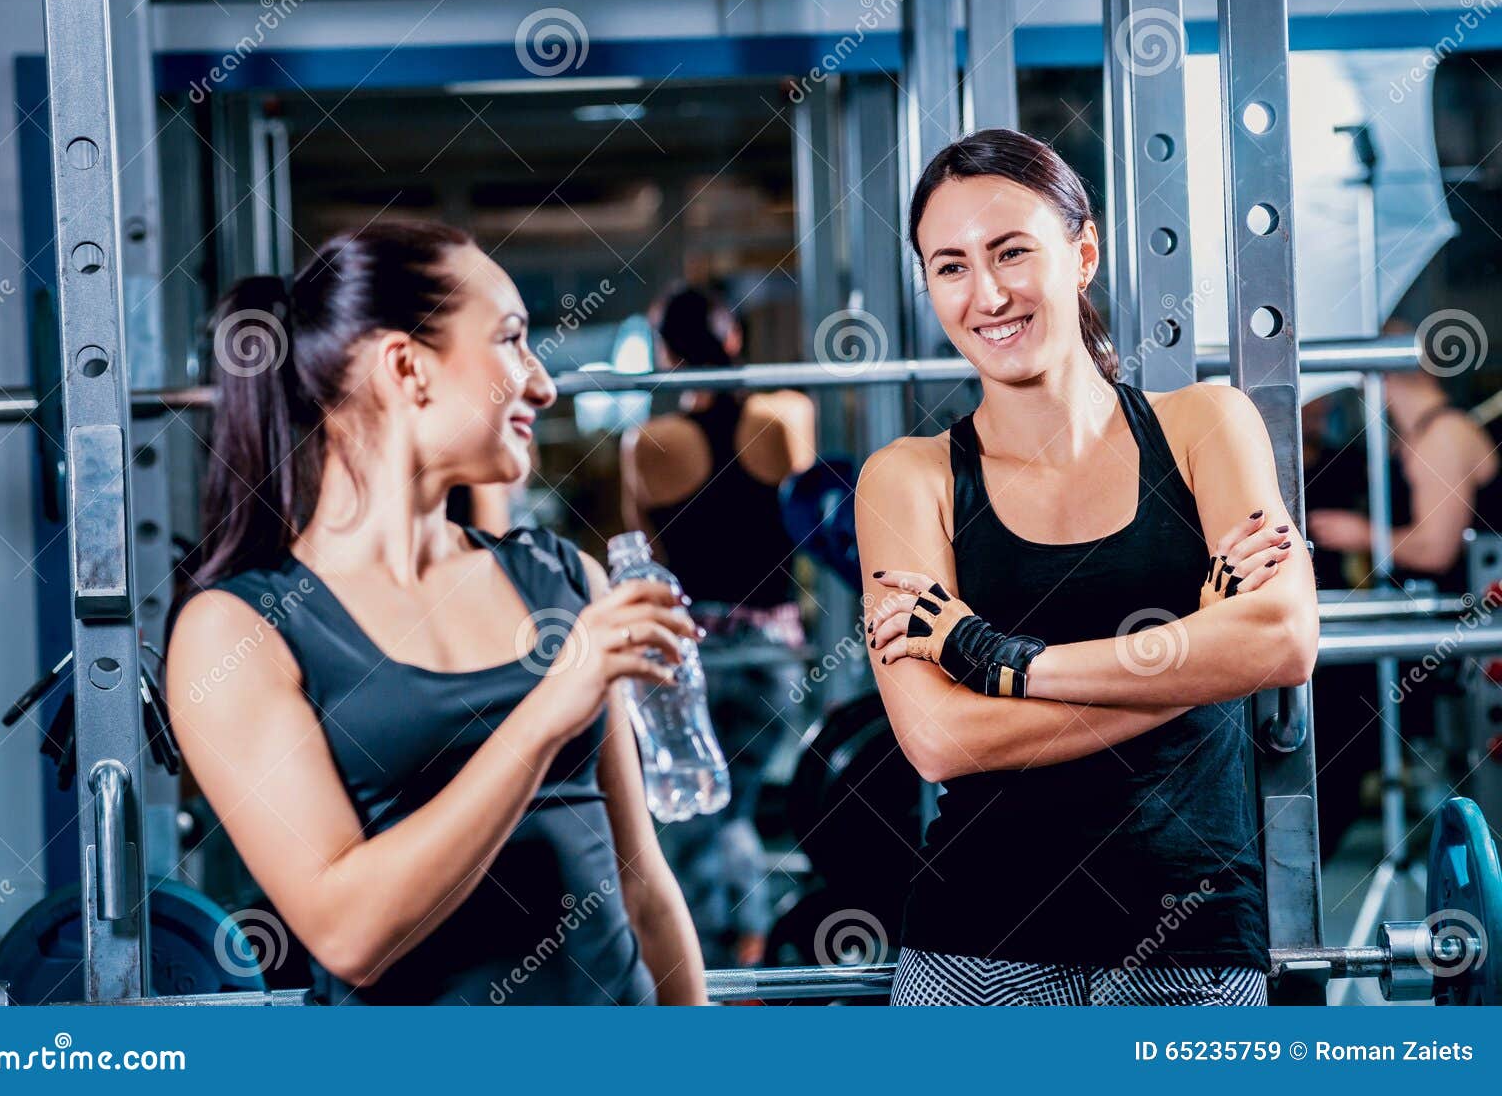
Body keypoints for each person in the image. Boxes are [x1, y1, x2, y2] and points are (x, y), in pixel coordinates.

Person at [166, 222, 706, 1005]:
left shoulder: (563, 579)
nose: (542, 385)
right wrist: (548, 710)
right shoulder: (237, 632)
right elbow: (349, 934)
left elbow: (644, 888)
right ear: (406, 367)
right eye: (511, 340)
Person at [856, 129, 1318, 1007]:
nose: (987, 294)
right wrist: (1199, 656)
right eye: (950, 266)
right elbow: (942, 740)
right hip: (975, 947)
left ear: (1083, 254)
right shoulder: (908, 479)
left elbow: (1285, 641)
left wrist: (997, 660)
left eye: (1011, 252)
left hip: (1193, 940)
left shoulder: (1205, 426)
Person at [619, 285, 817, 966]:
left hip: (693, 650)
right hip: (774, 652)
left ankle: (723, 962)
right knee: (735, 808)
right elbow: (812, 517)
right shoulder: (785, 416)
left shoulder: (647, 442)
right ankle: (745, 954)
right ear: (733, 339)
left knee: (703, 813)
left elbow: (647, 558)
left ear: (665, 353)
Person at [1308, 318, 1502, 594]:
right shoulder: (1412, 437)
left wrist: (1363, 534)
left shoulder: (1443, 435)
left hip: (1459, 607)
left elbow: (1436, 551)